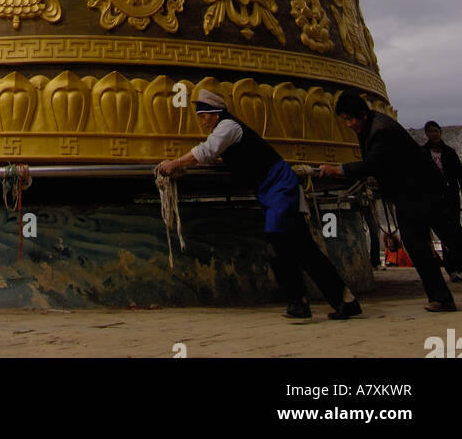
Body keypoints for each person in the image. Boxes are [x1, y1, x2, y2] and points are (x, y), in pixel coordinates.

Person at [158, 89, 361, 321]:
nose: (203, 122)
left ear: (216, 113)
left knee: (283, 244)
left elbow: (206, 150)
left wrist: (176, 163)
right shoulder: (227, 129)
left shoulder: (228, 127)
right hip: (273, 191)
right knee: (303, 248)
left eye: (204, 116)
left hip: (280, 189)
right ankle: (343, 299)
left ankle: (301, 302)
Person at [320, 94, 462, 312]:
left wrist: (338, 169)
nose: (348, 124)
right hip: (409, 196)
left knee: (452, 239)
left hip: (425, 193)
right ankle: (441, 297)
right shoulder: (369, 128)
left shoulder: (380, 130)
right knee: (417, 245)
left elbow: (374, 163)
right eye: (345, 120)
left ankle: (441, 296)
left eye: (350, 119)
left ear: (362, 114)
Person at [422, 121, 462, 280]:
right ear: (427, 134)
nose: (434, 134)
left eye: (436, 131)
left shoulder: (450, 153)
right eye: (431, 131)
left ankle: (458, 266)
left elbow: (460, 174)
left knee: (455, 232)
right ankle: (451, 269)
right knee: (444, 234)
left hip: (451, 198)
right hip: (433, 199)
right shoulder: (423, 153)